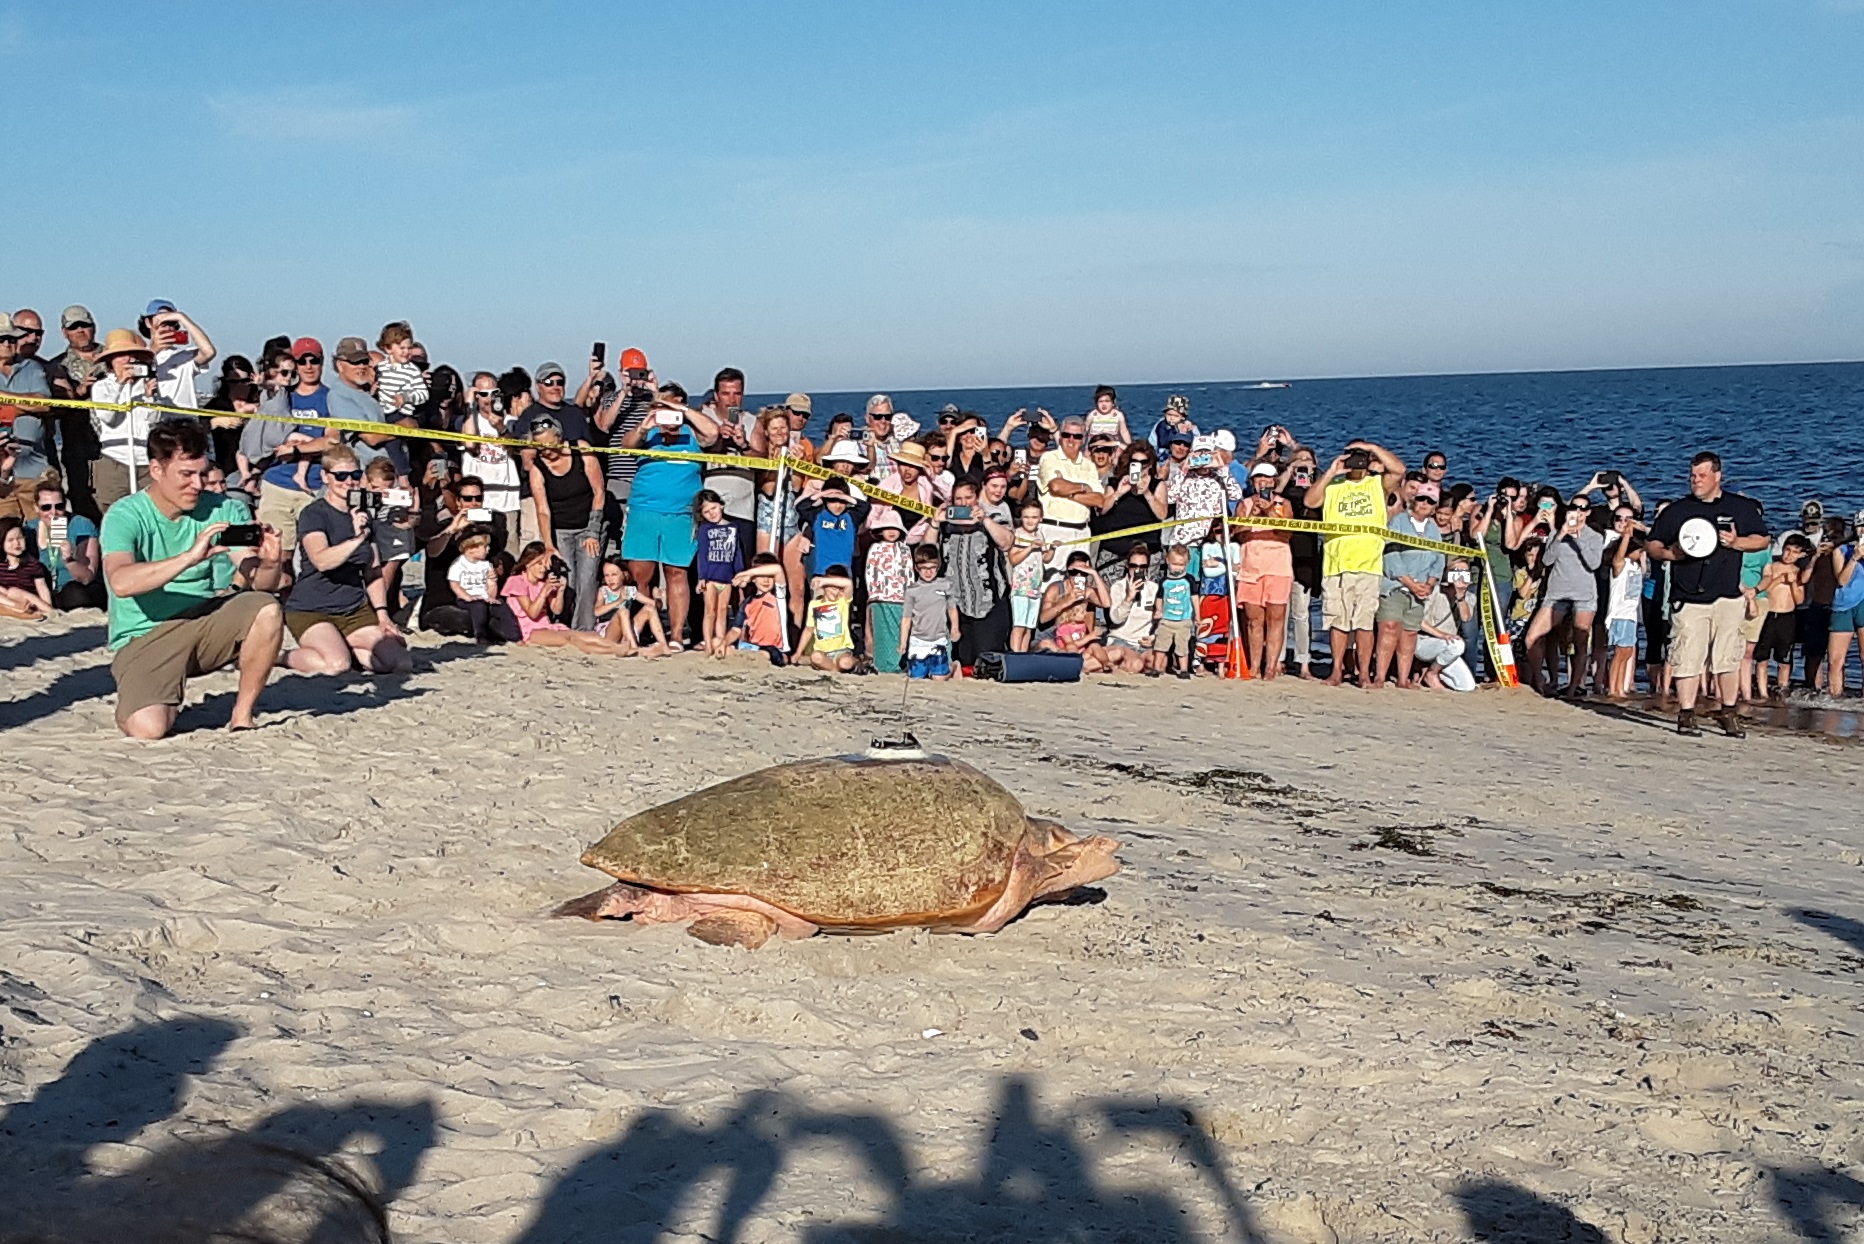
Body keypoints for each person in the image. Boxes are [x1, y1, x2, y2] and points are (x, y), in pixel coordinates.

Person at [98, 419, 287, 738]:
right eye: (185, 475)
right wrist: (189, 557)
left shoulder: (224, 508)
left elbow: (260, 582)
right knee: (149, 729)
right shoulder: (125, 514)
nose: (197, 485)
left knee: (267, 607)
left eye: (202, 474)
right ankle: (157, 690)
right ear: (156, 469)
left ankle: (242, 715)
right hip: (145, 635)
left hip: (204, 620)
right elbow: (121, 582)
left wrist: (271, 563)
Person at [1645, 451, 1770, 737]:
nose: (1696, 481)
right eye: (1692, 476)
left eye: (1702, 475)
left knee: (1728, 657)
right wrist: (1669, 553)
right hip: (1688, 596)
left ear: (1717, 475)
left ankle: (1728, 712)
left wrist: (1737, 541)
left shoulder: (1740, 507)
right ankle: (1686, 714)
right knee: (1687, 655)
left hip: (1728, 594)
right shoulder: (1677, 510)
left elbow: (1762, 539)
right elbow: (1652, 543)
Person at [281, 446, 411, 677]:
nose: (348, 481)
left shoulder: (363, 513)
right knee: (336, 666)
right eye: (340, 476)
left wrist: (382, 615)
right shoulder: (314, 514)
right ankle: (279, 657)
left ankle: (347, 646)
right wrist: (357, 538)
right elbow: (321, 560)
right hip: (311, 608)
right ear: (325, 477)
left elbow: (373, 571)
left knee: (399, 662)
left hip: (353, 608)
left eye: (354, 475)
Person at [620, 388, 719, 650]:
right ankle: (639, 629)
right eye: (663, 407)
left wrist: (684, 412)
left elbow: (713, 434)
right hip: (645, 510)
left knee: (677, 572)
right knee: (641, 573)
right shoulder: (649, 433)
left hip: (682, 513)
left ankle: (676, 635)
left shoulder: (692, 433)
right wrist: (647, 423)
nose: (668, 413)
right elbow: (626, 445)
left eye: (673, 407)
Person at [1306, 441, 1404, 687]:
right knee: (1337, 622)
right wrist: (1332, 471)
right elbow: (1310, 501)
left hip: (1368, 564)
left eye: (1359, 459)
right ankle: (1336, 670)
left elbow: (1399, 470)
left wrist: (1371, 448)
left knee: (1363, 622)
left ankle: (1363, 673)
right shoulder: (1334, 485)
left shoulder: (1376, 484)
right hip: (1336, 563)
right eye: (1353, 458)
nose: (1356, 464)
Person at [526, 415, 605, 631]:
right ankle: (563, 624)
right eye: (540, 448)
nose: (546, 452)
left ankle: (584, 628)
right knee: (565, 579)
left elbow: (599, 491)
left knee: (587, 578)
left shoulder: (582, 451)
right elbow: (542, 509)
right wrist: (549, 545)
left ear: (560, 439)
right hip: (561, 528)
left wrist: (593, 530)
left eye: (550, 446)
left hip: (589, 522)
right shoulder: (537, 468)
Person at [1521, 494, 1604, 696]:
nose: (1579, 512)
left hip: (1584, 594)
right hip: (1557, 593)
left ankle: (1574, 688)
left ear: (1588, 512)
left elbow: (1593, 564)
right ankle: (1540, 680)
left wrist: (1578, 539)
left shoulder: (1595, 536)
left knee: (1580, 642)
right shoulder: (1558, 532)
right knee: (1532, 637)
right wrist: (1559, 535)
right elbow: (1548, 560)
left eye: (1583, 509)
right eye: (1575, 507)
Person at [502, 541, 633, 654]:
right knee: (570, 639)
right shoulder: (516, 581)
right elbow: (532, 613)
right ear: (528, 563)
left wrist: (560, 592)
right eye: (539, 563)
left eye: (545, 564)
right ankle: (613, 649)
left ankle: (623, 647)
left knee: (585, 635)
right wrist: (544, 591)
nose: (543, 568)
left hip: (547, 625)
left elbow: (556, 610)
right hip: (529, 631)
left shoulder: (542, 582)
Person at [936, 478, 1014, 668]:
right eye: (959, 499)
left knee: (988, 660)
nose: (963, 503)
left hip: (989, 602)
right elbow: (927, 551)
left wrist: (984, 519)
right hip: (957, 605)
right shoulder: (947, 526)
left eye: (968, 498)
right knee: (963, 661)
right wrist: (934, 523)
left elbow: (1006, 542)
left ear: (977, 498)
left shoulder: (993, 518)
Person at [1372, 485, 1444, 689]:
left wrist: (1429, 584)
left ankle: (1403, 679)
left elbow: (1439, 560)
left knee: (1410, 633)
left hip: (1420, 590)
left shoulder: (1433, 530)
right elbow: (1391, 554)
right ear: (1414, 500)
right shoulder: (1399, 522)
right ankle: (1380, 676)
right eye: (1422, 499)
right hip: (1396, 585)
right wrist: (1410, 583)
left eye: (1430, 501)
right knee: (1389, 628)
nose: (1425, 504)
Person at [1235, 461, 1294, 680]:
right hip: (1251, 566)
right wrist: (1253, 516)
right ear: (1253, 481)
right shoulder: (1245, 504)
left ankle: (1271, 667)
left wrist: (1269, 511)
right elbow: (1238, 532)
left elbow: (1286, 533)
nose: (1263, 482)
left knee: (1276, 618)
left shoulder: (1283, 504)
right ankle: (1254, 665)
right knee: (1254, 620)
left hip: (1278, 566)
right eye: (1259, 478)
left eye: (1268, 479)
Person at [1035, 417, 1105, 572]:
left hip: (1082, 532)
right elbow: (1056, 486)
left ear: (1084, 440)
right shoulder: (1049, 457)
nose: (1071, 440)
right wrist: (1083, 487)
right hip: (1054, 529)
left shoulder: (1089, 465)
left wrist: (1070, 493)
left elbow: (1099, 500)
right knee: (1051, 581)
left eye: (1077, 436)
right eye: (1067, 435)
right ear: (1060, 437)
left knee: (1079, 581)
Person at [460, 372, 521, 542]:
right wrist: (469, 405)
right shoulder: (467, 421)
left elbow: (516, 449)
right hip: (478, 500)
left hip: (507, 501)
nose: (489, 398)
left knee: (510, 552)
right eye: (483, 394)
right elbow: (470, 444)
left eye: (494, 393)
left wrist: (501, 427)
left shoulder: (511, 421)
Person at [24, 480, 104, 609]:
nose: (54, 512)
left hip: (74, 587)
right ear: (36, 508)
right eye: (46, 507)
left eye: (59, 506)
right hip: (44, 590)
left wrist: (69, 559)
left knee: (75, 594)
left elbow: (87, 577)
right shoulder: (30, 529)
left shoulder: (81, 525)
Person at [1092, 442, 1168, 569]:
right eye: (1134, 462)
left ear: (1149, 464)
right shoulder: (1116, 483)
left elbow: (1162, 515)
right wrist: (1119, 492)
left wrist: (1147, 493)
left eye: (1143, 462)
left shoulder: (1157, 485)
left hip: (1146, 552)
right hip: (1114, 551)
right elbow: (1102, 509)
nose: (1139, 466)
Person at [1752, 536, 1810, 700]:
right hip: (1769, 615)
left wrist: (1792, 583)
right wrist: (1779, 579)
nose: (1789, 555)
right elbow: (1765, 589)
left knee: (1784, 658)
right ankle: (1763, 692)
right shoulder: (1772, 567)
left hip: (1787, 617)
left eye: (1794, 553)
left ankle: (1782, 688)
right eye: (1787, 550)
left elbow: (1799, 600)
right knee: (1762, 657)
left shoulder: (1798, 572)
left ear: (1800, 555)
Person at [695, 489, 745, 658]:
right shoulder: (704, 530)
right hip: (710, 577)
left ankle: (720, 642)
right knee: (710, 611)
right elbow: (702, 554)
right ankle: (708, 643)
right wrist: (701, 577)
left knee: (723, 610)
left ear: (721, 505)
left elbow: (737, 552)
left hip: (727, 577)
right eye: (706, 511)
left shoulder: (733, 527)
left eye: (714, 508)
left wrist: (740, 573)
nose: (711, 514)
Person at [1603, 513, 1648, 699]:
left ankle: (1620, 687)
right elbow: (1618, 557)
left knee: (1628, 652)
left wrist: (1641, 528)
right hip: (1619, 614)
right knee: (1620, 652)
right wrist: (1627, 536)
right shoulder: (1623, 564)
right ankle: (1613, 688)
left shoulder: (1638, 566)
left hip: (1631, 615)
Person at [447, 531, 520, 644]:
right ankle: (481, 636)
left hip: (484, 596)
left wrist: (491, 595)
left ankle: (514, 636)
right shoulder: (458, 565)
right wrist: (467, 597)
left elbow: (491, 583)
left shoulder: (485, 565)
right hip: (467, 599)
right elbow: (455, 585)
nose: (488, 549)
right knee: (479, 607)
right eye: (485, 547)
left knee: (502, 607)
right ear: (472, 548)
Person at [1099, 544, 1159, 673]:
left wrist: (1154, 637)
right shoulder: (1118, 587)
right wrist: (1128, 598)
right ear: (1127, 566)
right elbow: (1115, 619)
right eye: (1133, 566)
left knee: (1159, 664)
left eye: (1143, 567)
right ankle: (1122, 661)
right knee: (1135, 665)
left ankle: (1120, 663)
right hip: (1121, 639)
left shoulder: (1154, 589)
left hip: (1143, 642)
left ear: (1148, 568)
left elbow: (1160, 619)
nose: (1138, 570)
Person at [902, 546, 958, 679]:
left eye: (932, 568)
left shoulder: (945, 585)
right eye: (924, 568)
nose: (928, 572)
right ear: (917, 568)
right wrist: (903, 642)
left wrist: (955, 628)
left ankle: (954, 666)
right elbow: (906, 618)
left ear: (938, 567)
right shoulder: (912, 590)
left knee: (938, 678)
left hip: (938, 638)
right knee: (917, 677)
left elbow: (952, 608)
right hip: (918, 640)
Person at [865, 519, 912, 673]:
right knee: (882, 632)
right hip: (880, 597)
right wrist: (873, 592)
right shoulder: (876, 548)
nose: (891, 532)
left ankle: (897, 663)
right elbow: (870, 571)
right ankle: (882, 665)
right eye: (887, 528)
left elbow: (908, 572)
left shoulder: (905, 549)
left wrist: (910, 595)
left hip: (900, 598)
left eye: (895, 528)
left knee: (899, 632)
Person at [1823, 536, 1864, 698]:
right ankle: (1835, 696)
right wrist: (1854, 558)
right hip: (1843, 606)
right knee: (1835, 660)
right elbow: (1842, 580)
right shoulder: (1841, 551)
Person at [798, 566, 860, 672]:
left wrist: (823, 580)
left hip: (841, 650)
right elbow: (809, 630)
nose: (836, 592)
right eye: (833, 588)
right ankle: (834, 670)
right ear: (825, 587)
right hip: (822, 651)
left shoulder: (843, 602)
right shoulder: (814, 605)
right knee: (815, 657)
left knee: (845, 663)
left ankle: (856, 662)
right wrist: (798, 652)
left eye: (840, 589)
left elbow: (848, 583)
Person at [1007, 501, 1050, 653]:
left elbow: (1046, 558)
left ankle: (1024, 655)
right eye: (1026, 517)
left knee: (1029, 627)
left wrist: (1053, 549)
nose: (1030, 520)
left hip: (1035, 586)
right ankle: (1015, 655)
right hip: (1020, 586)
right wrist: (1030, 547)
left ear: (1041, 518)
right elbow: (1013, 559)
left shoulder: (1040, 534)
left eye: (1034, 517)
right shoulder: (1018, 534)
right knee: (1019, 625)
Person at [1151, 544, 1199, 678]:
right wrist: (1158, 610)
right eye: (1174, 564)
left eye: (1181, 565)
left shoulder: (1189, 580)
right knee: (1160, 646)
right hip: (1166, 619)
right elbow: (1160, 598)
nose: (1177, 568)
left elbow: (1195, 598)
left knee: (1182, 648)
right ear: (1167, 560)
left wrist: (1197, 616)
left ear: (1187, 563)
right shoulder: (1164, 581)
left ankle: (1184, 670)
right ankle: (1156, 668)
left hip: (1184, 620)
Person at [0, 517, 52, 618]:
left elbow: (42, 588)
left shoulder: (33, 565)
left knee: (14, 591)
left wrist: (47, 607)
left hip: (27, 603)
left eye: (19, 538)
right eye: (10, 540)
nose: (16, 543)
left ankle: (22, 610)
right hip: (7, 605)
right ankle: (17, 608)